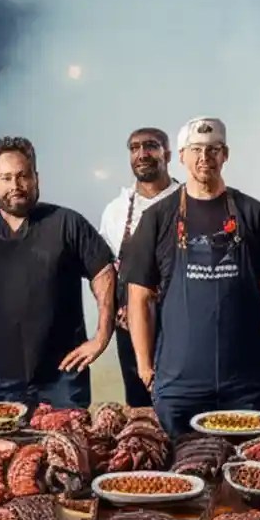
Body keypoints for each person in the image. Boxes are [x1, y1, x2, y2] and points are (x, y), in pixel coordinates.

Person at [123, 117, 260, 436]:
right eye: (197, 150)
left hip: (245, 384)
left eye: (213, 150)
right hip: (178, 386)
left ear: (225, 155)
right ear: (183, 156)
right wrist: (145, 366)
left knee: (241, 474)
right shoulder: (157, 219)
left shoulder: (253, 214)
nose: (205, 158)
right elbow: (139, 297)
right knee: (184, 471)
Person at [0, 137, 116, 408]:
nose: (15, 186)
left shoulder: (66, 223)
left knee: (66, 450)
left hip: (62, 379)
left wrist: (101, 337)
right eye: (6, 178)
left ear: (36, 178)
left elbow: (104, 273)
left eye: (22, 176)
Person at [98, 128, 179, 407]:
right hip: (131, 328)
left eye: (151, 146)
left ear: (167, 155)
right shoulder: (116, 211)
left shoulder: (189, 201)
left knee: (184, 410)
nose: (142, 154)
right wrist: (112, 313)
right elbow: (106, 272)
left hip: (181, 327)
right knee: (141, 412)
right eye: (134, 148)